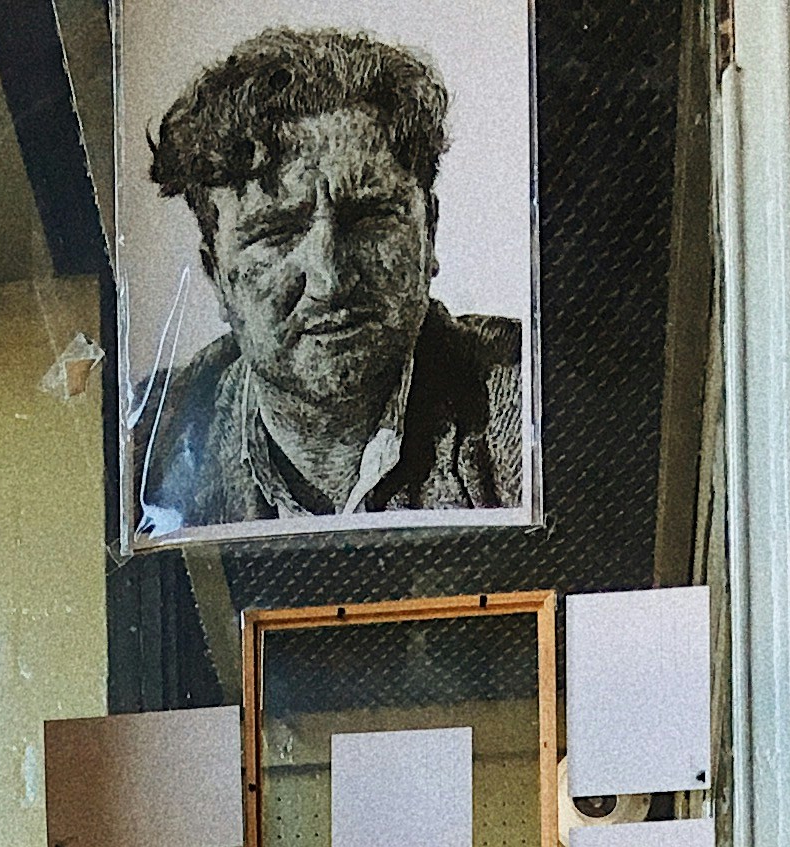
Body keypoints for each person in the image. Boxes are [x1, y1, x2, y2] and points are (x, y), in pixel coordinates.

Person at [131, 25, 522, 537]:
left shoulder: (526, 397)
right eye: (275, 232)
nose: (329, 278)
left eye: (370, 216)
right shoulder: (149, 442)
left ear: (429, 234)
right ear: (216, 276)